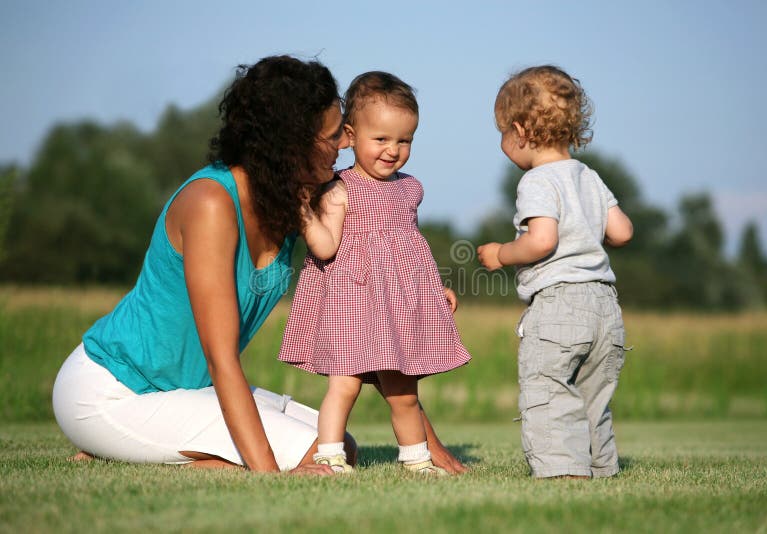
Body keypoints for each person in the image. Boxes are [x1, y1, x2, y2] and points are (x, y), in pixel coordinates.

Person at [52, 56, 464, 475]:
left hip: (184, 389)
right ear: (291, 144)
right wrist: (269, 475)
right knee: (311, 457)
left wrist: (430, 443)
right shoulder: (212, 204)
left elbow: (368, 325)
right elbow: (221, 358)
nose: (345, 144)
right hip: (115, 390)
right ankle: (123, 444)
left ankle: (136, 448)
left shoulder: (292, 202)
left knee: (341, 445)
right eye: (333, 134)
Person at [278, 72, 472, 475]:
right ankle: (329, 454)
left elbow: (411, 249)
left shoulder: (410, 188)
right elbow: (325, 247)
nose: (393, 150)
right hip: (353, 299)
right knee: (344, 383)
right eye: (381, 139)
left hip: (397, 305)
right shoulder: (338, 188)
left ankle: (416, 459)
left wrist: (437, 288)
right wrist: (302, 209)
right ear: (349, 134)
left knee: (403, 391)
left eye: (404, 140)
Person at [477, 65, 634, 479]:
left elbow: (541, 240)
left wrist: (501, 254)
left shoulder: (537, 180)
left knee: (549, 390)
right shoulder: (589, 176)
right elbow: (622, 231)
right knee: (593, 399)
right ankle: (600, 469)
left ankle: (563, 474)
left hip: (559, 304)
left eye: (501, 133)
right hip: (605, 307)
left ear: (520, 130)